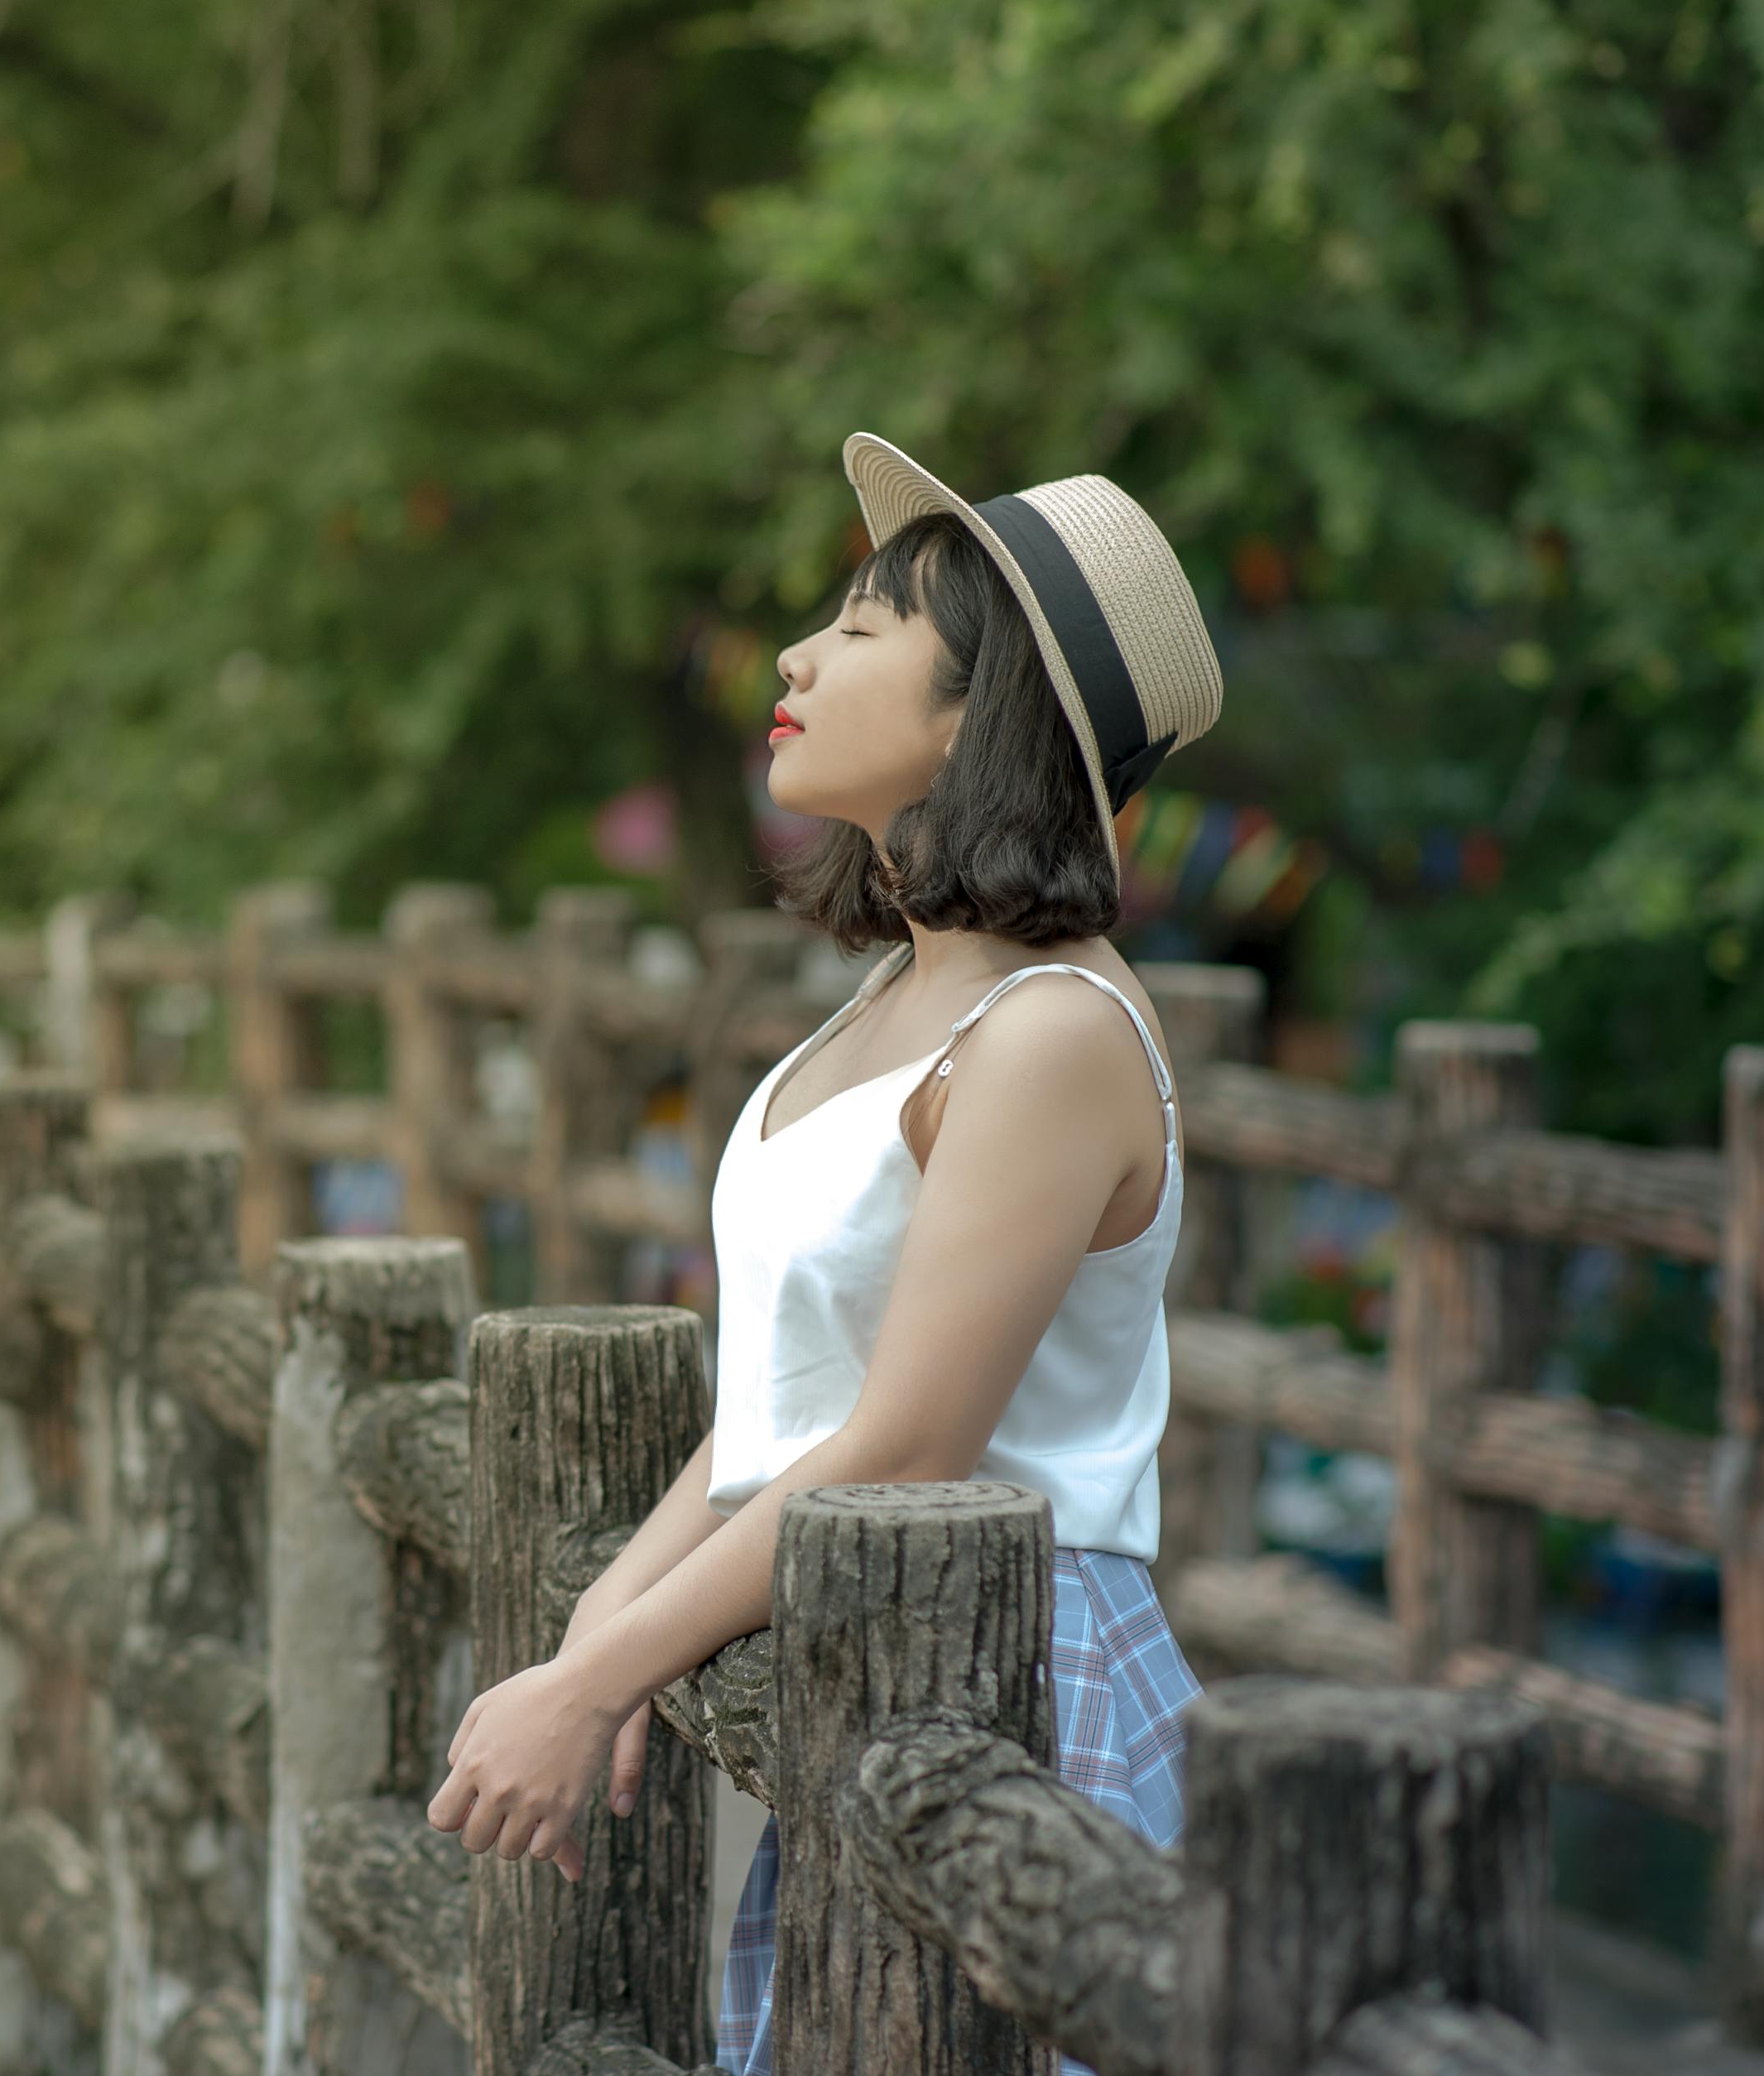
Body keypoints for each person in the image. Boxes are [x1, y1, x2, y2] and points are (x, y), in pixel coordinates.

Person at [423, 432, 1223, 2076]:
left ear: (980, 716)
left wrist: (601, 1680)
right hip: (872, 1643)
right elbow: (780, 1412)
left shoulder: (1048, 1030)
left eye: (860, 628)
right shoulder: (891, 998)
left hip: (1018, 1673)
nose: (794, 657)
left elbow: (908, 1442)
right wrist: (595, 1644)